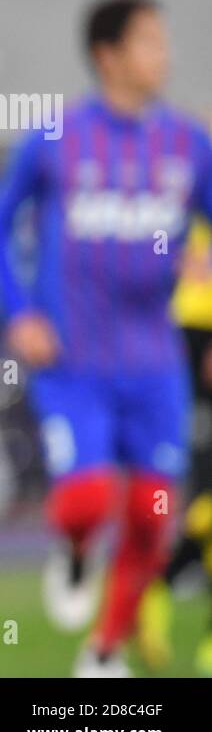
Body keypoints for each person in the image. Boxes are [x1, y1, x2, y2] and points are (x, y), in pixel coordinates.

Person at [0, 0, 212, 676]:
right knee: (84, 498)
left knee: (152, 511)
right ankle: (75, 546)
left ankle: (105, 649)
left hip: (155, 363)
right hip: (75, 359)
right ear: (107, 55)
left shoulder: (188, 144)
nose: (162, 55)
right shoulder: (55, 140)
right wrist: (20, 310)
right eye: (148, 42)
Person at [135, 217, 212, 675]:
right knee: (204, 501)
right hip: (191, 336)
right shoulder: (185, 175)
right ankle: (155, 591)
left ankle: (155, 591)